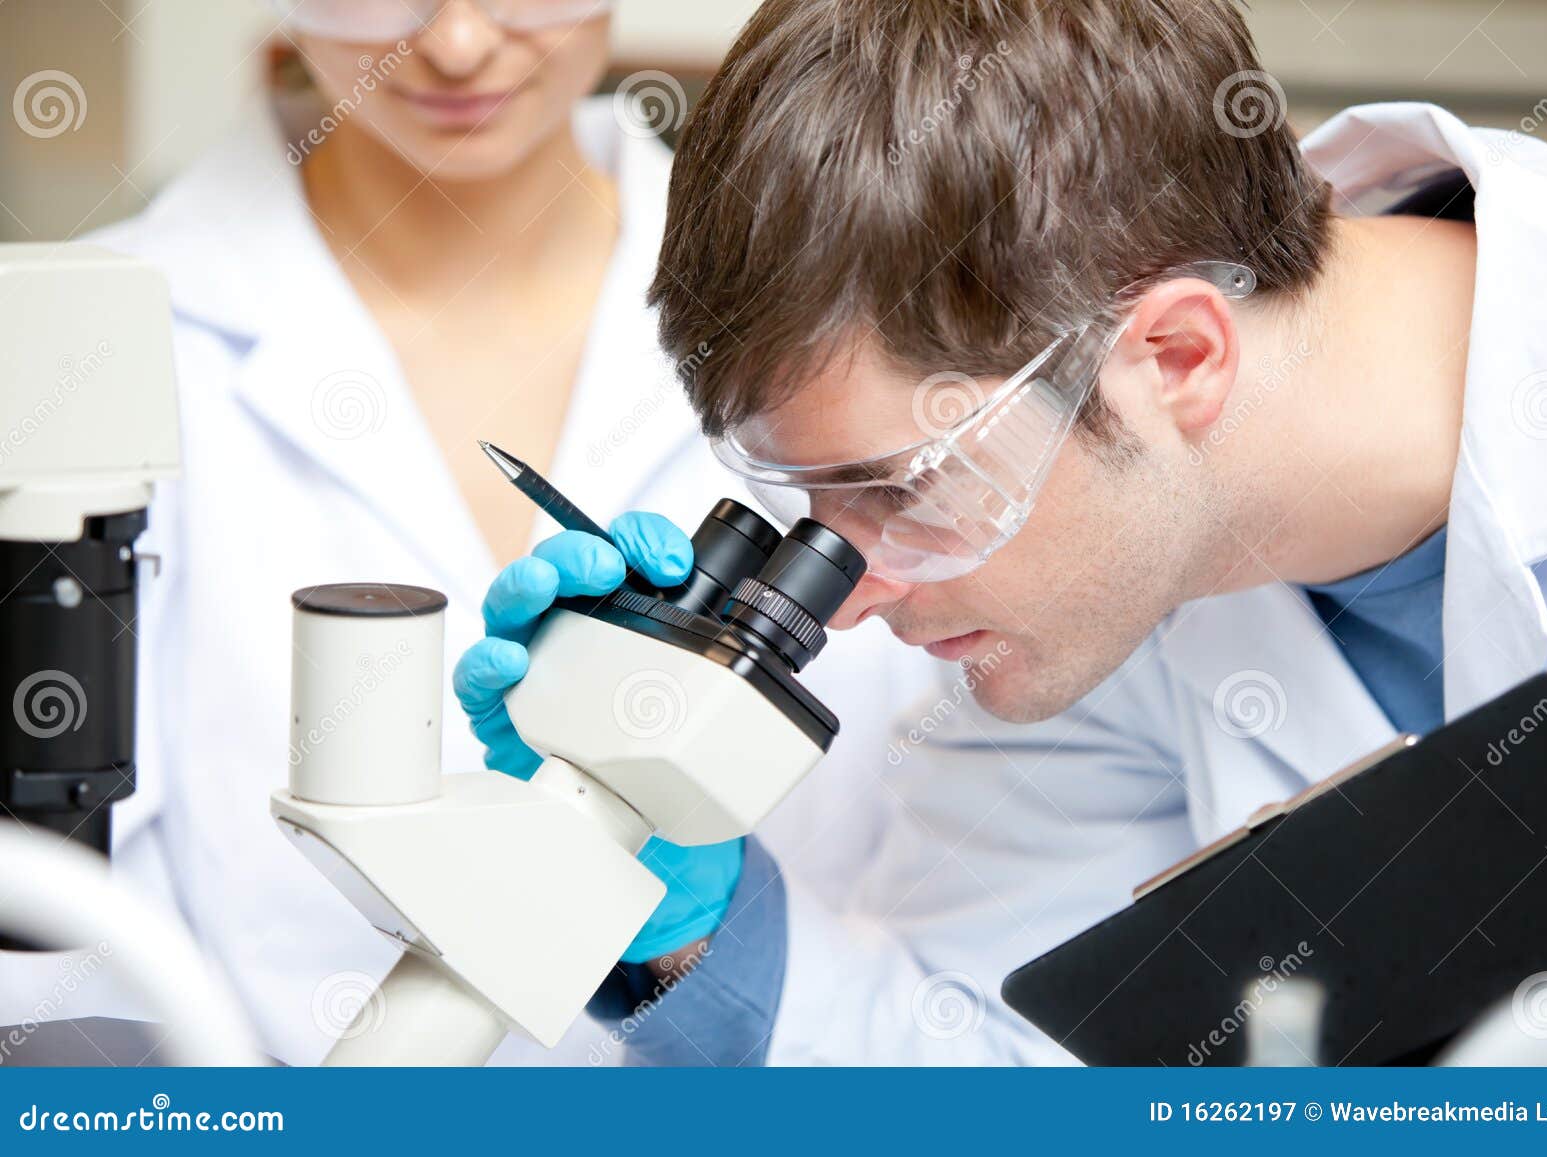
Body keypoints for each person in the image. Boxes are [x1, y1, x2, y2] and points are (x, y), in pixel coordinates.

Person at [455, 0, 1547, 1064]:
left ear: (1176, 356)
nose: (848, 597)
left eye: (901, 487)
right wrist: (684, 925)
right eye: (813, 509)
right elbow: (999, 1059)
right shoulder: (1096, 594)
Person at [0, 0, 931, 1066]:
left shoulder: (844, 296)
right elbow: (55, 933)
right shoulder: (79, 340)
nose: (453, 43)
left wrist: (693, 938)